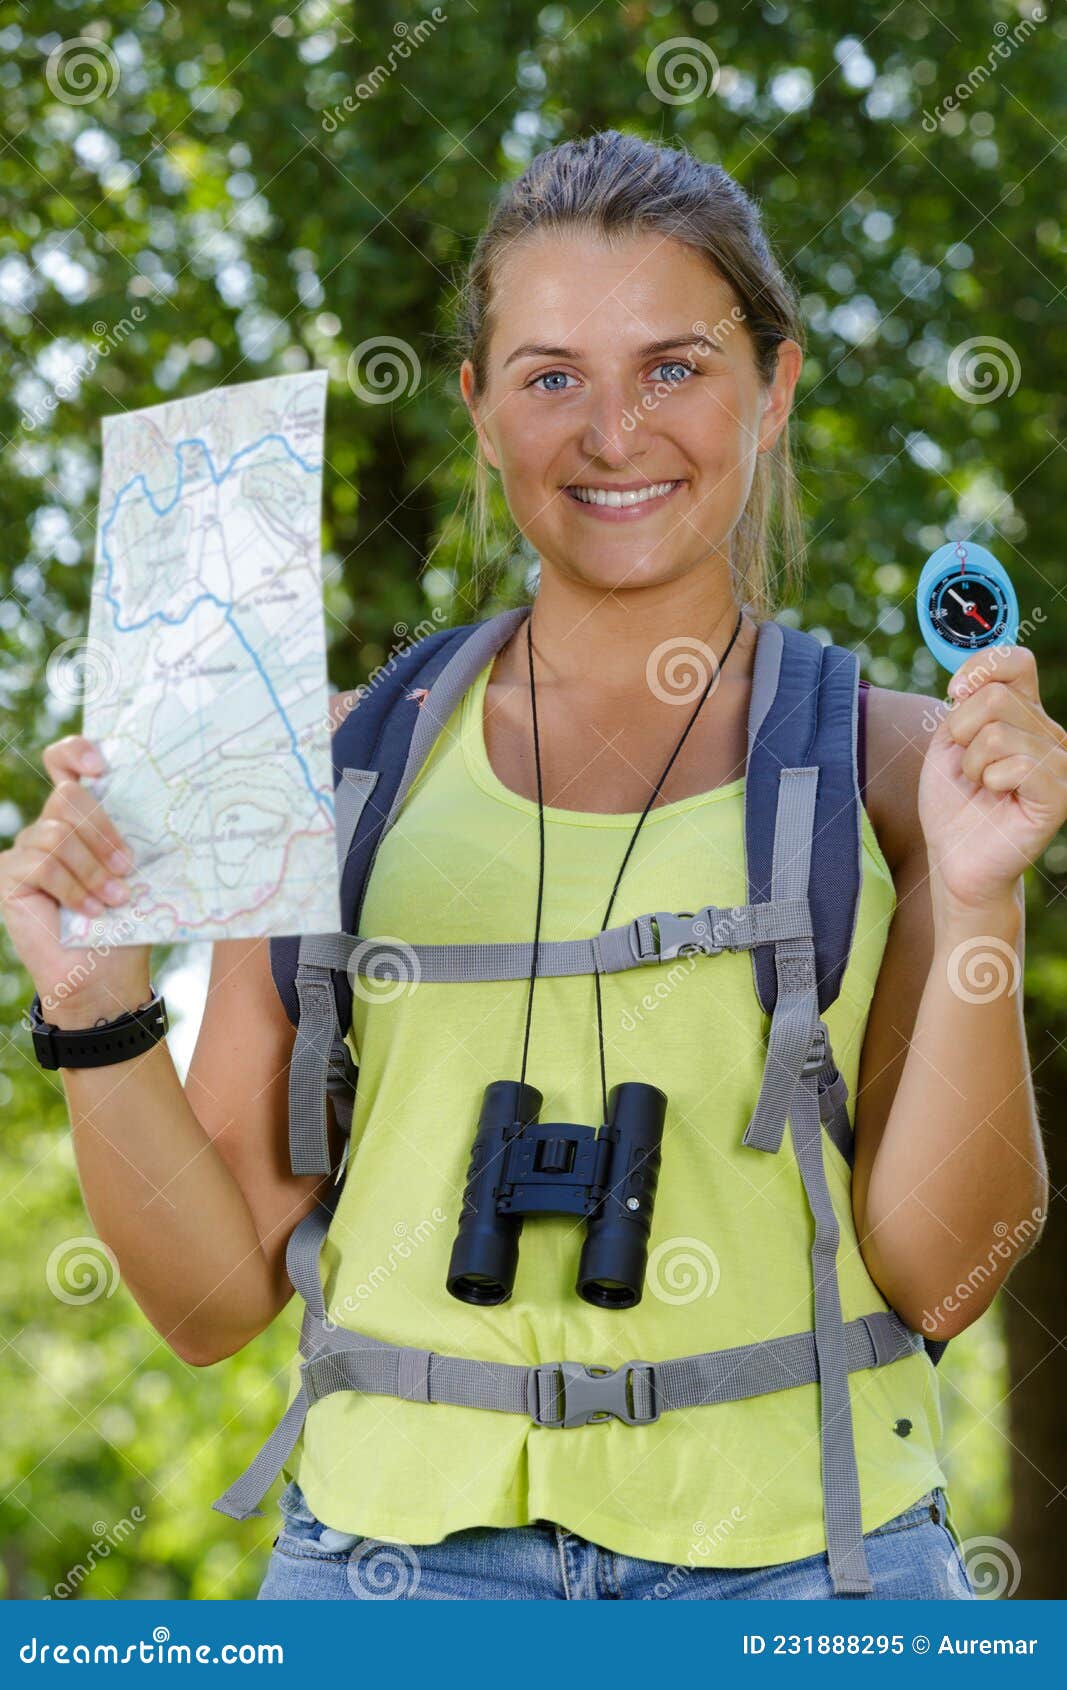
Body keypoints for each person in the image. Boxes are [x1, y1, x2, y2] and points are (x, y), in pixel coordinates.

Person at [3, 131, 1064, 1603]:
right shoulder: (324, 766)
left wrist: (984, 890)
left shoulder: (899, 769)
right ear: (482, 414)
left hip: (804, 1572)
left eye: (675, 366)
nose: (613, 431)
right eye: (552, 374)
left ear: (778, 386)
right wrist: (92, 1003)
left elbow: (949, 1274)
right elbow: (203, 1303)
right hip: (390, 1575)